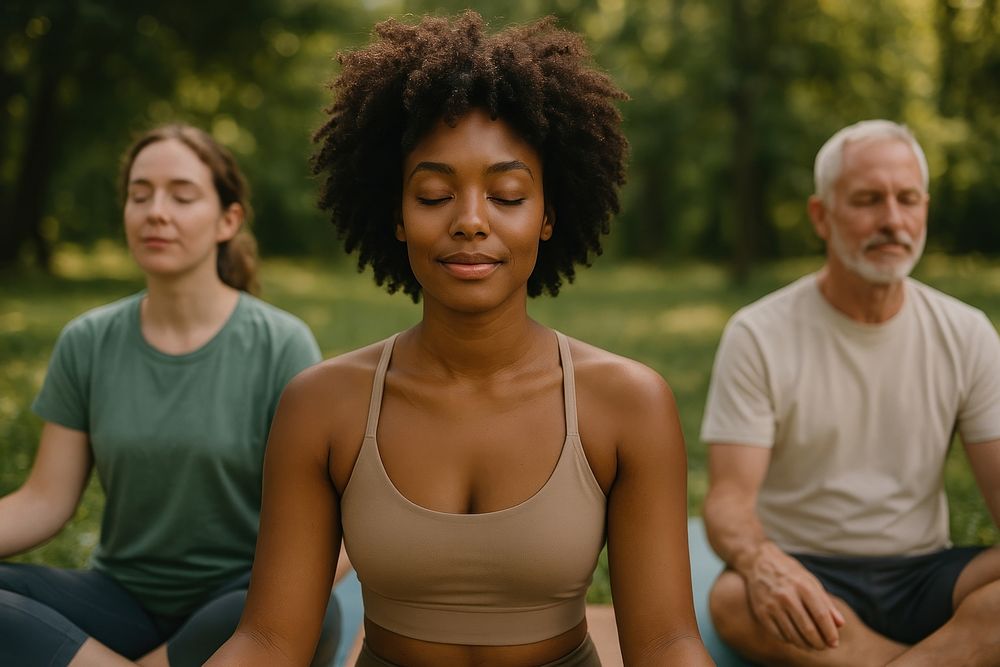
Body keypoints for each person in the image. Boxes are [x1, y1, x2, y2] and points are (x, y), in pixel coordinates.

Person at [208, 12, 713, 667]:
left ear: (548, 215)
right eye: (433, 194)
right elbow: (270, 639)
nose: (470, 221)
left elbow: (667, 642)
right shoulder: (321, 405)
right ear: (396, 214)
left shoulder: (628, 403)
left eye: (507, 194)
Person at [0, 124, 345, 667]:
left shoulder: (281, 344)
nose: (156, 212)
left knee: (314, 610)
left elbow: (332, 535)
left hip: (239, 607)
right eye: (140, 196)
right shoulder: (87, 341)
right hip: (122, 604)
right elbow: (44, 500)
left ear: (228, 220)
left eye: (182, 197)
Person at [701, 119, 1000, 666]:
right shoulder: (758, 333)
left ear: (925, 209)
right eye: (868, 200)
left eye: (907, 199)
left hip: (926, 575)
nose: (892, 220)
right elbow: (727, 501)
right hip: (808, 576)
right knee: (733, 598)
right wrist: (763, 563)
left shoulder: (968, 333)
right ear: (821, 215)